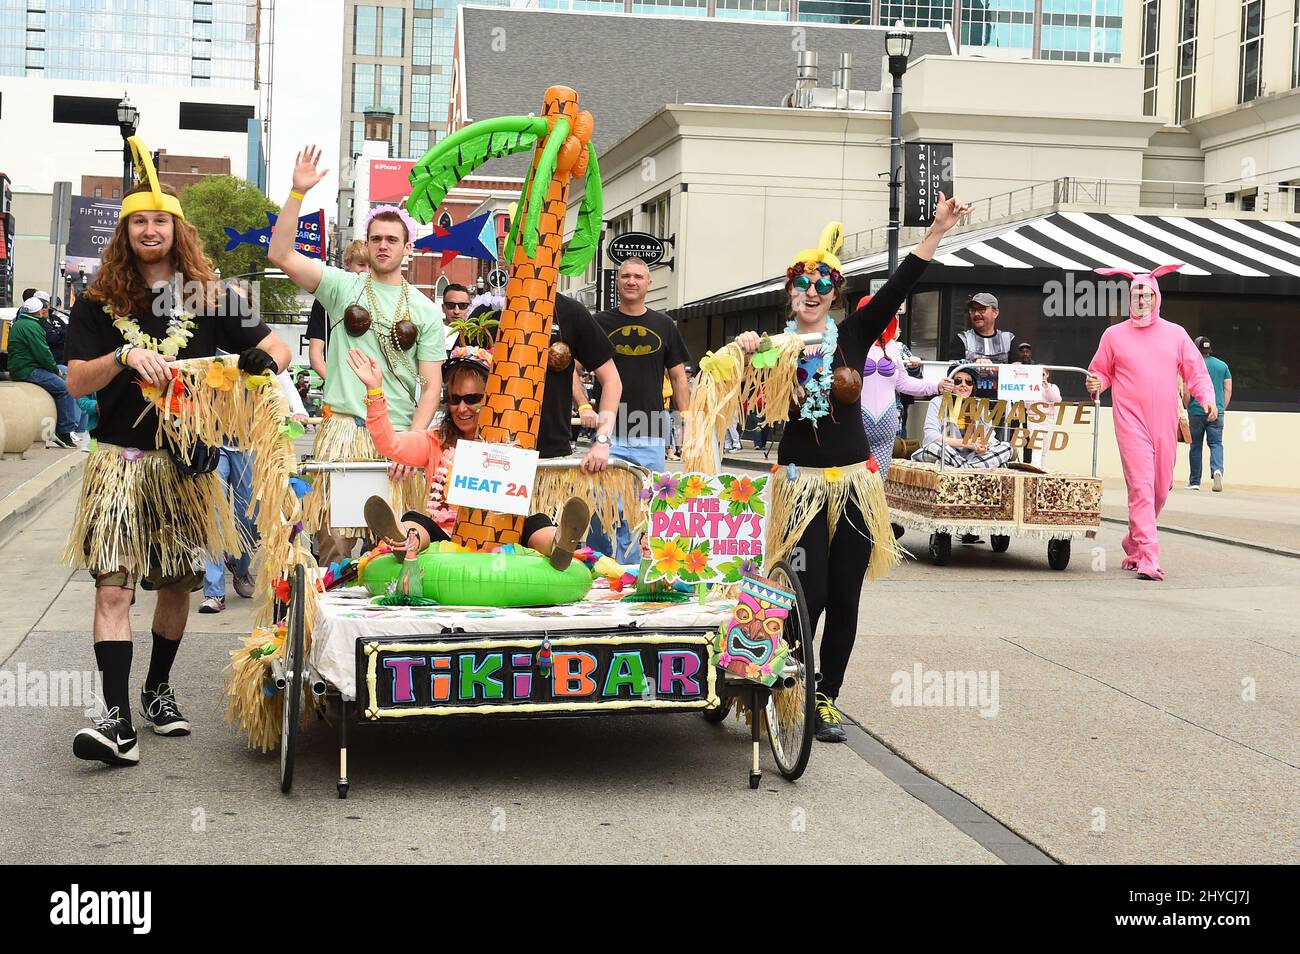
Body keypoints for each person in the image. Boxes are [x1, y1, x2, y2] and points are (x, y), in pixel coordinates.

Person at [62, 162, 290, 766]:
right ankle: (116, 721)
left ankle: (157, 689)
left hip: (186, 467)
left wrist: (253, 368)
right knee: (112, 589)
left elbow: (276, 348)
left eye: (160, 219)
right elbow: (77, 380)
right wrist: (124, 355)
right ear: (125, 232)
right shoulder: (98, 301)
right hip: (118, 465)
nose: (149, 229)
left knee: (175, 586)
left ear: (177, 230)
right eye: (139, 221)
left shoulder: (209, 297)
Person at [736, 197, 970, 743]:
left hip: (858, 485)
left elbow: (902, 283)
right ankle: (785, 684)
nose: (812, 292)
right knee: (806, 594)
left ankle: (825, 699)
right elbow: (735, 383)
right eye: (802, 284)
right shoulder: (774, 347)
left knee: (844, 596)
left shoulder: (857, 333)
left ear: (834, 293)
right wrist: (748, 350)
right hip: (799, 488)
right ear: (790, 292)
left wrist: (936, 228)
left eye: (822, 284)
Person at [269, 145, 446, 567]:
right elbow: (279, 255)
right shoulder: (342, 288)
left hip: (397, 438)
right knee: (335, 551)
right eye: (377, 239)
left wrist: (412, 445)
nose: (383, 246)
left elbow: (432, 386)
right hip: (343, 433)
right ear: (366, 245)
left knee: (398, 554)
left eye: (392, 240)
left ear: (408, 248)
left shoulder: (424, 310)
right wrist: (297, 193)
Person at [347, 346, 590, 569]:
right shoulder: (435, 441)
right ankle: (403, 539)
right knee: (415, 519)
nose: (461, 408)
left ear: (491, 398)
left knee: (536, 521)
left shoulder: (511, 441)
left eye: (472, 399)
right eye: (454, 399)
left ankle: (559, 543)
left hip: (504, 535)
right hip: (447, 536)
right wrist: (374, 390)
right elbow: (389, 444)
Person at [1086, 264, 1216, 581]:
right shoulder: (1113, 335)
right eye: (1136, 294)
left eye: (1146, 294)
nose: (1141, 299)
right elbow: (1101, 371)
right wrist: (1095, 384)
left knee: (1159, 489)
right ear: (1129, 299)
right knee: (1141, 487)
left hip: (1165, 421)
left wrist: (1206, 397)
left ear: (1157, 297)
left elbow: (1195, 371)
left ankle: (1132, 542)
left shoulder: (1175, 334)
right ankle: (1148, 557)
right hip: (1130, 420)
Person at [590, 256, 690, 562]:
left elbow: (678, 376)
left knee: (645, 512)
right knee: (604, 511)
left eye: (638, 277)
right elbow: (572, 367)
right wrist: (582, 404)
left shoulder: (664, 325)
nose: (631, 281)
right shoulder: (599, 323)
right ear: (618, 282)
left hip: (650, 432)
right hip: (610, 432)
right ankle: (600, 572)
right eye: (625, 276)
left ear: (649, 284)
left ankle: (634, 578)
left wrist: (685, 422)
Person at [859, 306, 953, 479]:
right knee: (853, 481)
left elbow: (903, 382)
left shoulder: (892, 347)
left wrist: (936, 386)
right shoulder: (852, 343)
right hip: (856, 423)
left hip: (886, 423)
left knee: (878, 481)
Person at [8, 295, 82, 447]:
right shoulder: (32, 327)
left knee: (63, 381)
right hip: (28, 370)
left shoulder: (21, 323)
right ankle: (65, 432)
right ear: (39, 313)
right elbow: (43, 353)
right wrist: (55, 370)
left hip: (23, 368)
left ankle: (61, 428)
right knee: (64, 389)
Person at [911, 367, 1013, 468]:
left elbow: (990, 438)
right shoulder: (937, 402)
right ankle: (972, 468)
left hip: (973, 456)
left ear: (973, 387)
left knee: (1007, 448)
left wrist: (983, 446)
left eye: (968, 382)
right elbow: (931, 437)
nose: (963, 385)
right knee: (934, 448)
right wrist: (966, 443)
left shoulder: (980, 406)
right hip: (946, 452)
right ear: (951, 385)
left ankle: (965, 468)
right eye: (958, 381)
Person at [306, 239, 369, 382]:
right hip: (340, 388)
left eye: (370, 266)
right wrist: (336, 386)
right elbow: (315, 356)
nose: (366, 271)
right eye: (361, 264)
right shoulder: (326, 298)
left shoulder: (380, 297)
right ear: (347, 264)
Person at [952, 292, 1015, 404]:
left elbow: (1020, 371)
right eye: (973, 310)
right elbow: (952, 371)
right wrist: (973, 364)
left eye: (982, 309)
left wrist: (996, 369)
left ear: (995, 312)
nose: (976, 314)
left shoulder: (1008, 339)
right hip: (968, 405)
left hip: (1003, 405)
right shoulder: (962, 338)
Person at [1187, 336, 1230, 492]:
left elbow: (1187, 390)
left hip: (1197, 411)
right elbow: (1228, 388)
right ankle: (1217, 470)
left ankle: (1194, 481)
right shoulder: (1222, 365)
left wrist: (1188, 405)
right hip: (1216, 411)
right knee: (1216, 443)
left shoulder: (1193, 365)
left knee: (1196, 446)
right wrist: (1221, 407)